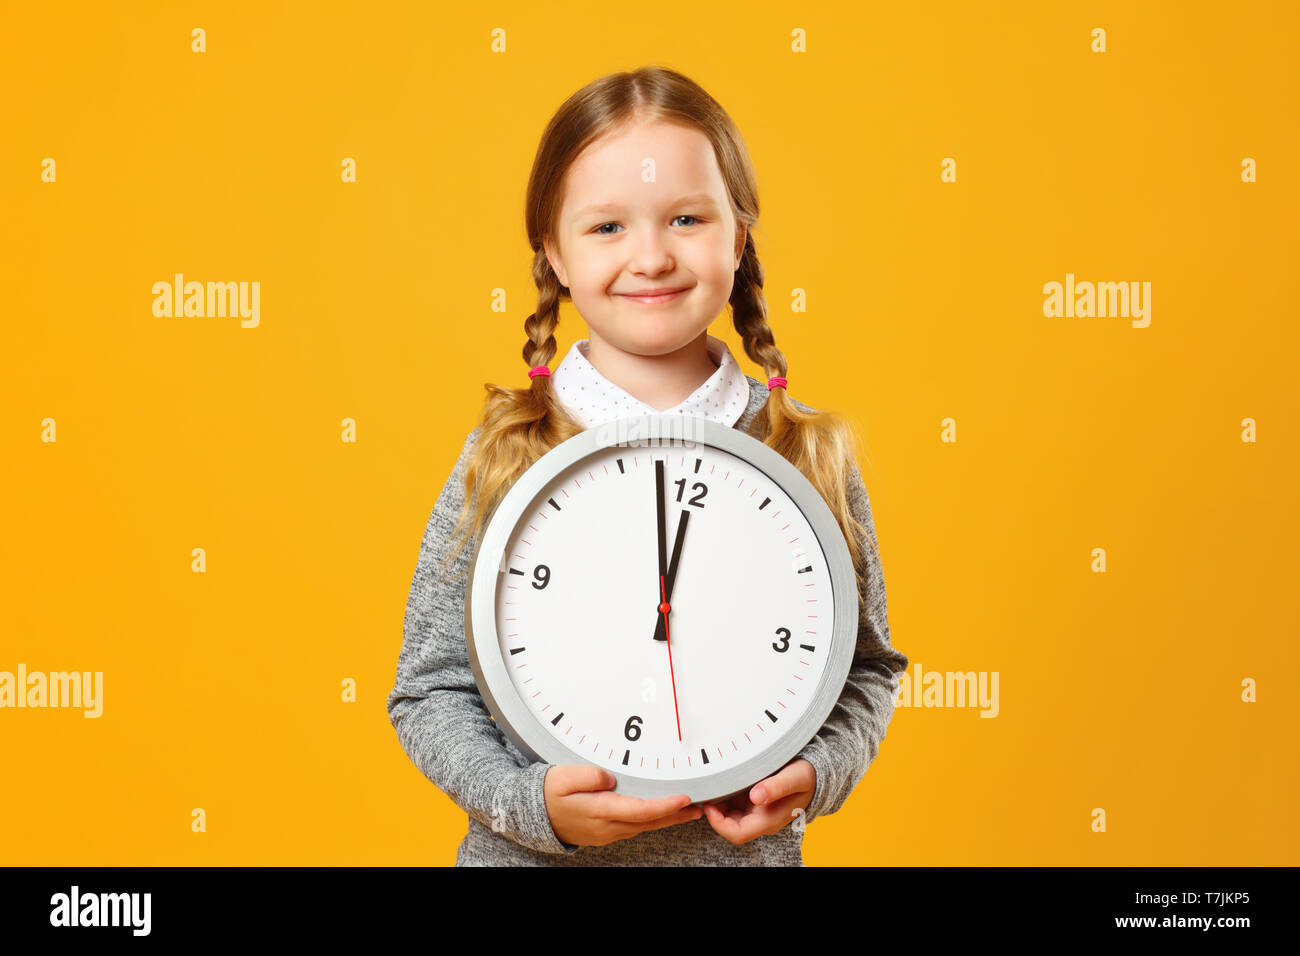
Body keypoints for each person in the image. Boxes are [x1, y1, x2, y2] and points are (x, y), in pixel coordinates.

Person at [386, 65, 908, 866]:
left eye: (687, 218)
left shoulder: (804, 455)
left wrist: (815, 773)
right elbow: (429, 692)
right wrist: (532, 808)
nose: (652, 256)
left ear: (739, 235)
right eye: (607, 228)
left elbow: (868, 669)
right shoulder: (505, 455)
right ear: (553, 254)